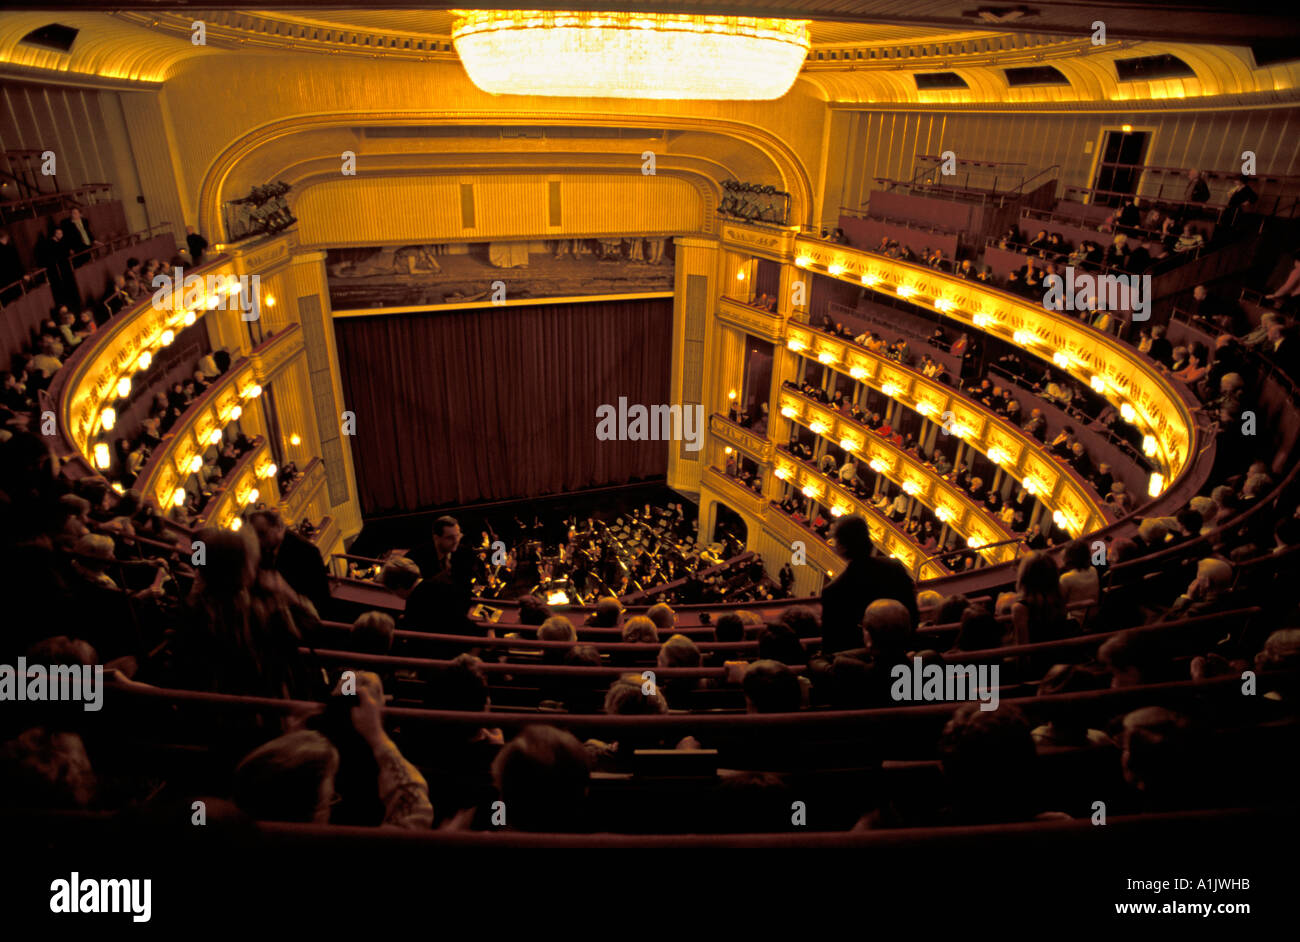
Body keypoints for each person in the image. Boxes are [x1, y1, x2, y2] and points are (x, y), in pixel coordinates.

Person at [820, 515, 918, 654]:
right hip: (904, 651)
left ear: (841, 547)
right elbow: (912, 616)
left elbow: (832, 646)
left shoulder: (833, 591)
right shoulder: (895, 568)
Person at [248, 509, 329, 614]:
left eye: (262, 534)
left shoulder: (306, 552)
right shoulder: (261, 550)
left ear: (277, 528)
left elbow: (321, 600)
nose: (258, 540)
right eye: (254, 536)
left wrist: (286, 593)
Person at [1010, 551, 1071, 646]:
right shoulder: (1060, 596)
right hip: (1062, 653)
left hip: (1038, 658)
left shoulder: (1020, 608)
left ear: (1024, 576)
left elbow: (1022, 647)